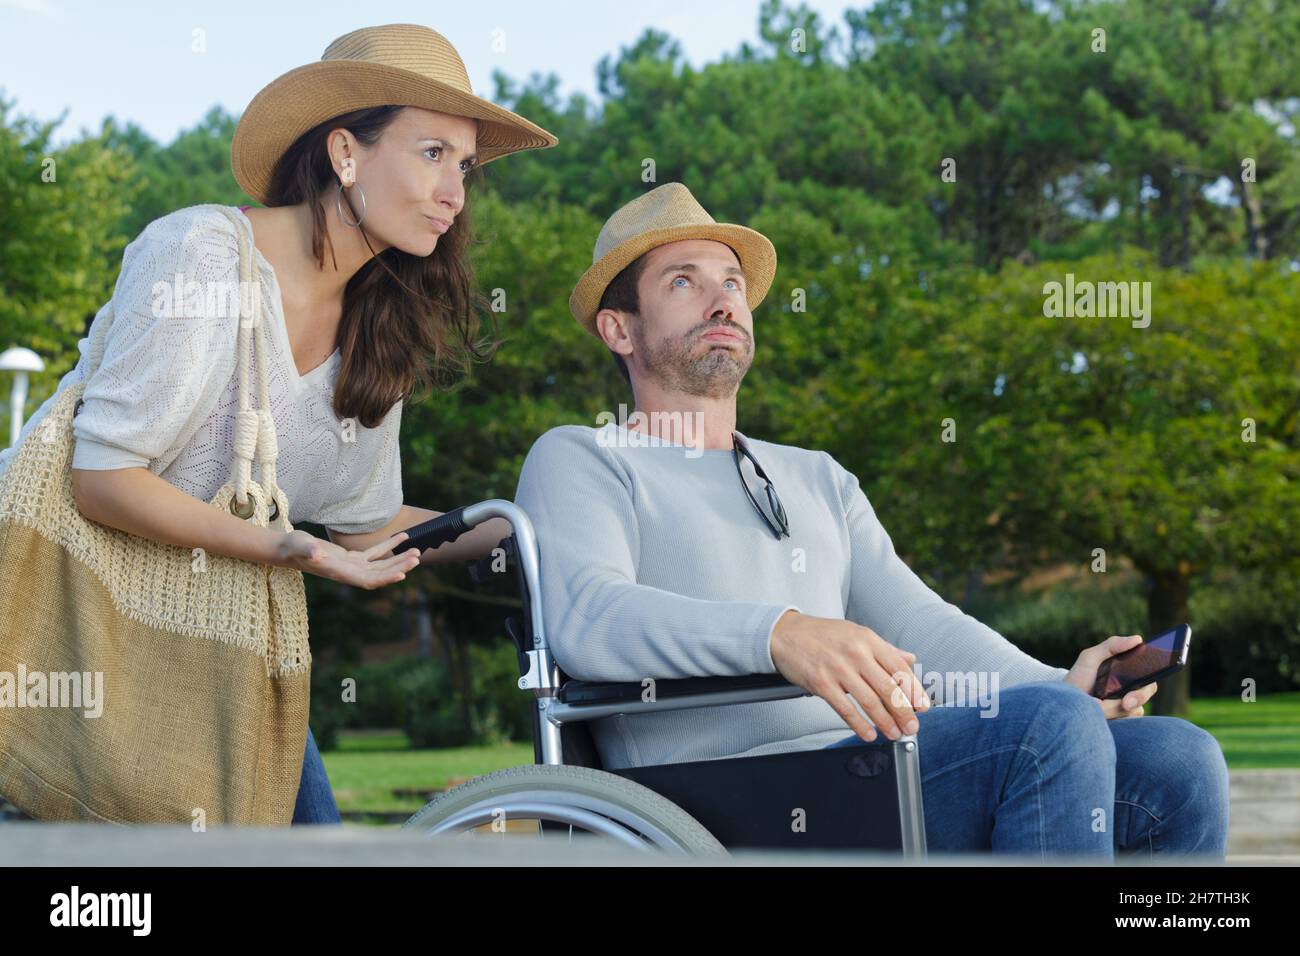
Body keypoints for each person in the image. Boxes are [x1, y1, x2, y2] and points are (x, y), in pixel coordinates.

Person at [513, 182, 1230, 858]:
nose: (722, 300)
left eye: (731, 281)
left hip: (869, 769)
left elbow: (922, 627)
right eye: (683, 282)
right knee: (1046, 733)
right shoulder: (582, 457)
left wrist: (1060, 683)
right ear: (619, 329)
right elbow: (590, 615)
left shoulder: (816, 475)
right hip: (714, 800)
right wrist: (780, 634)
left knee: (1178, 759)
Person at [0, 24, 557, 824]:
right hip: (71, 640)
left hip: (222, 656)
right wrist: (292, 547)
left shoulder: (378, 330)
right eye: (432, 153)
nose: (455, 193)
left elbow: (365, 529)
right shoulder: (201, 255)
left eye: (464, 167)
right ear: (345, 153)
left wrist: (522, 535)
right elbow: (104, 479)